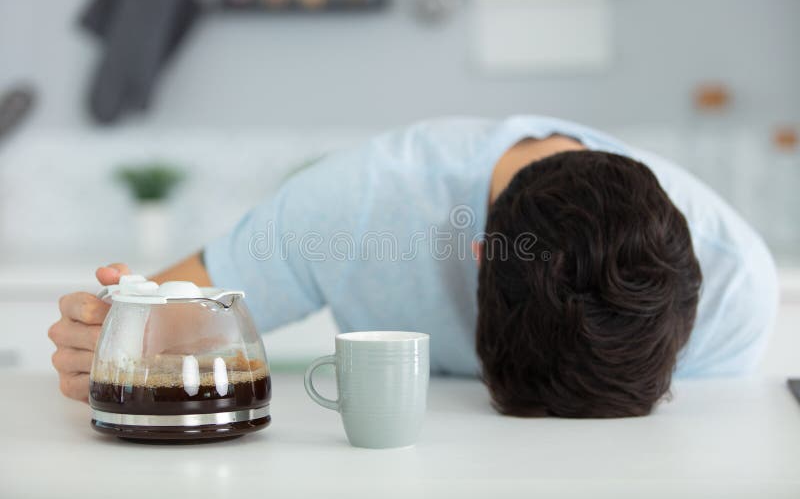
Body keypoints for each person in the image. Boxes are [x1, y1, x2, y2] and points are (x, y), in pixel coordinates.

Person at [48, 116, 779, 417]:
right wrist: (115, 336)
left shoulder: (736, 283)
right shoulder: (353, 205)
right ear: (476, 259)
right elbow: (183, 316)